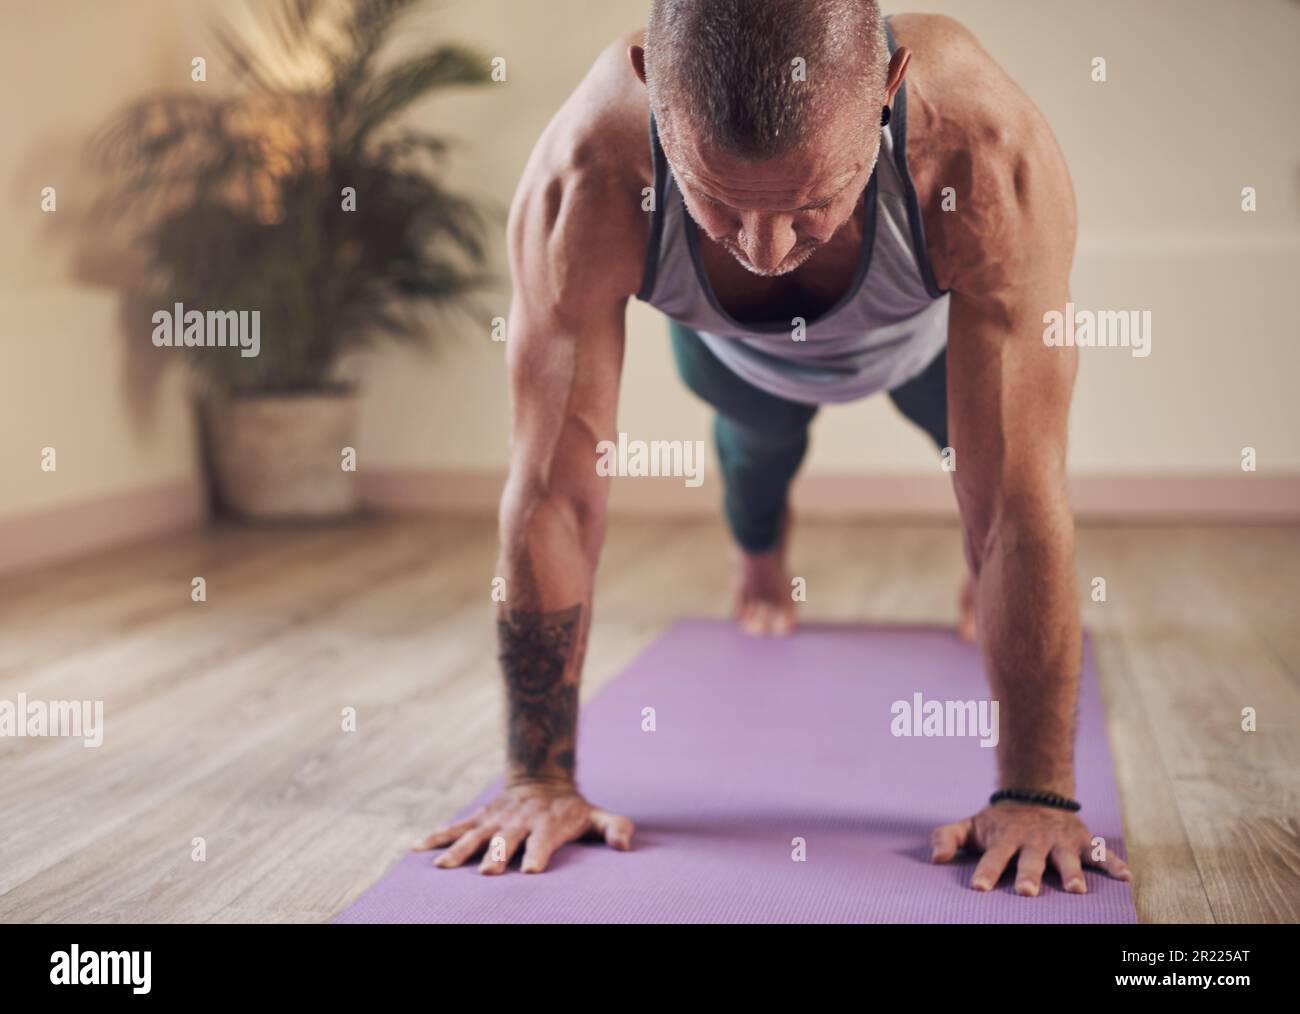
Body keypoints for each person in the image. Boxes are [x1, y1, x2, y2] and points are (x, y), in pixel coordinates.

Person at [413, 1, 1132, 898]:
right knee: (754, 456)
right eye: (718, 204)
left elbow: (1022, 498)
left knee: (982, 476)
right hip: (734, 359)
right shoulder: (591, 165)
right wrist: (537, 779)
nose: (765, 252)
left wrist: (1036, 793)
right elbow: (554, 491)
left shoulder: (980, 147)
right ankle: (759, 561)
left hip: (922, 347)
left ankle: (969, 591)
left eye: (810, 205)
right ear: (650, 95)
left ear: (888, 89)